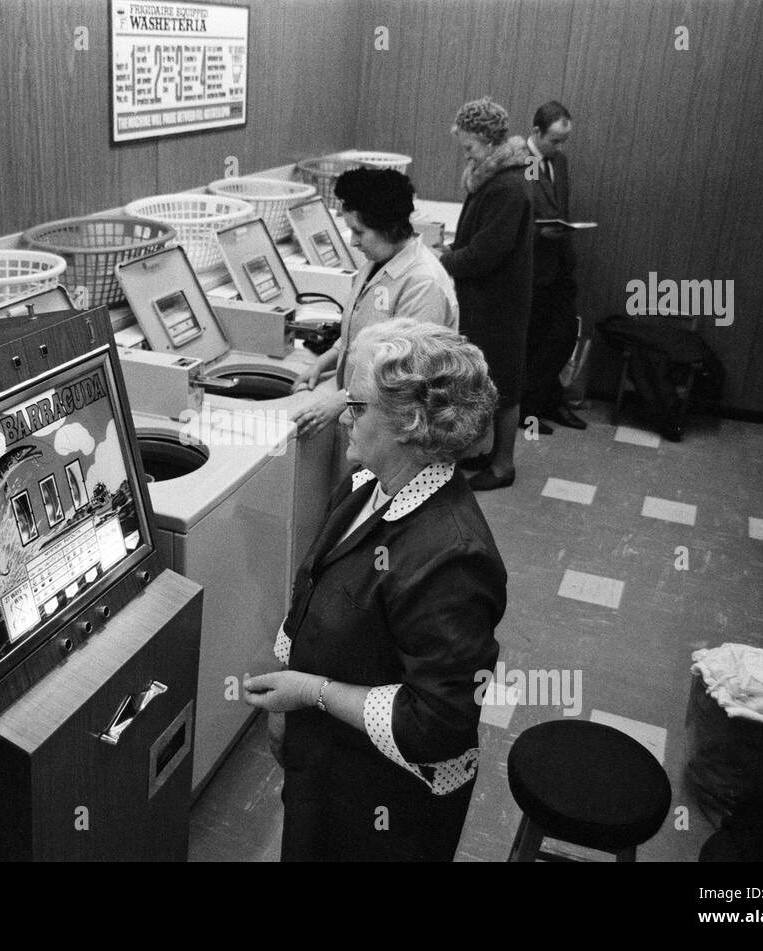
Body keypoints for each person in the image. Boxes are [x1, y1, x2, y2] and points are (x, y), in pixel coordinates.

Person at [244, 319, 506, 861]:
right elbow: (313, 590)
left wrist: (310, 692)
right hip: (326, 765)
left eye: (358, 406)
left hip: (384, 806)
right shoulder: (368, 484)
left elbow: (437, 722)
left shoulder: (452, 556)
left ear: (410, 422)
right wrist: (285, 711)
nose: (343, 417)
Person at [291, 167, 458, 469]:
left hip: (398, 431)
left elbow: (407, 371)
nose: (353, 242)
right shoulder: (377, 263)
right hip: (362, 410)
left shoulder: (424, 282)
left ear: (389, 228)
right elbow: (360, 328)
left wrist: (340, 401)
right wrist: (325, 359)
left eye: (359, 232)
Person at [440, 97, 534, 491]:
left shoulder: (506, 188)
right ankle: (486, 453)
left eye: (468, 146)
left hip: (499, 303)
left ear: (487, 139)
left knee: (504, 385)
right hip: (491, 298)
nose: (466, 153)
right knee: (489, 378)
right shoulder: (494, 179)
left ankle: (503, 466)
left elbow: (485, 254)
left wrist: (441, 261)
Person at [520, 101, 586, 432]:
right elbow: (514, 218)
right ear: (536, 132)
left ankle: (545, 400)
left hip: (558, 263)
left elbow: (561, 206)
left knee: (561, 337)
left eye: (564, 140)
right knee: (536, 340)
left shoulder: (558, 162)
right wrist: (539, 231)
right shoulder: (520, 162)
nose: (560, 147)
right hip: (533, 265)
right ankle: (531, 408)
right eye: (555, 140)